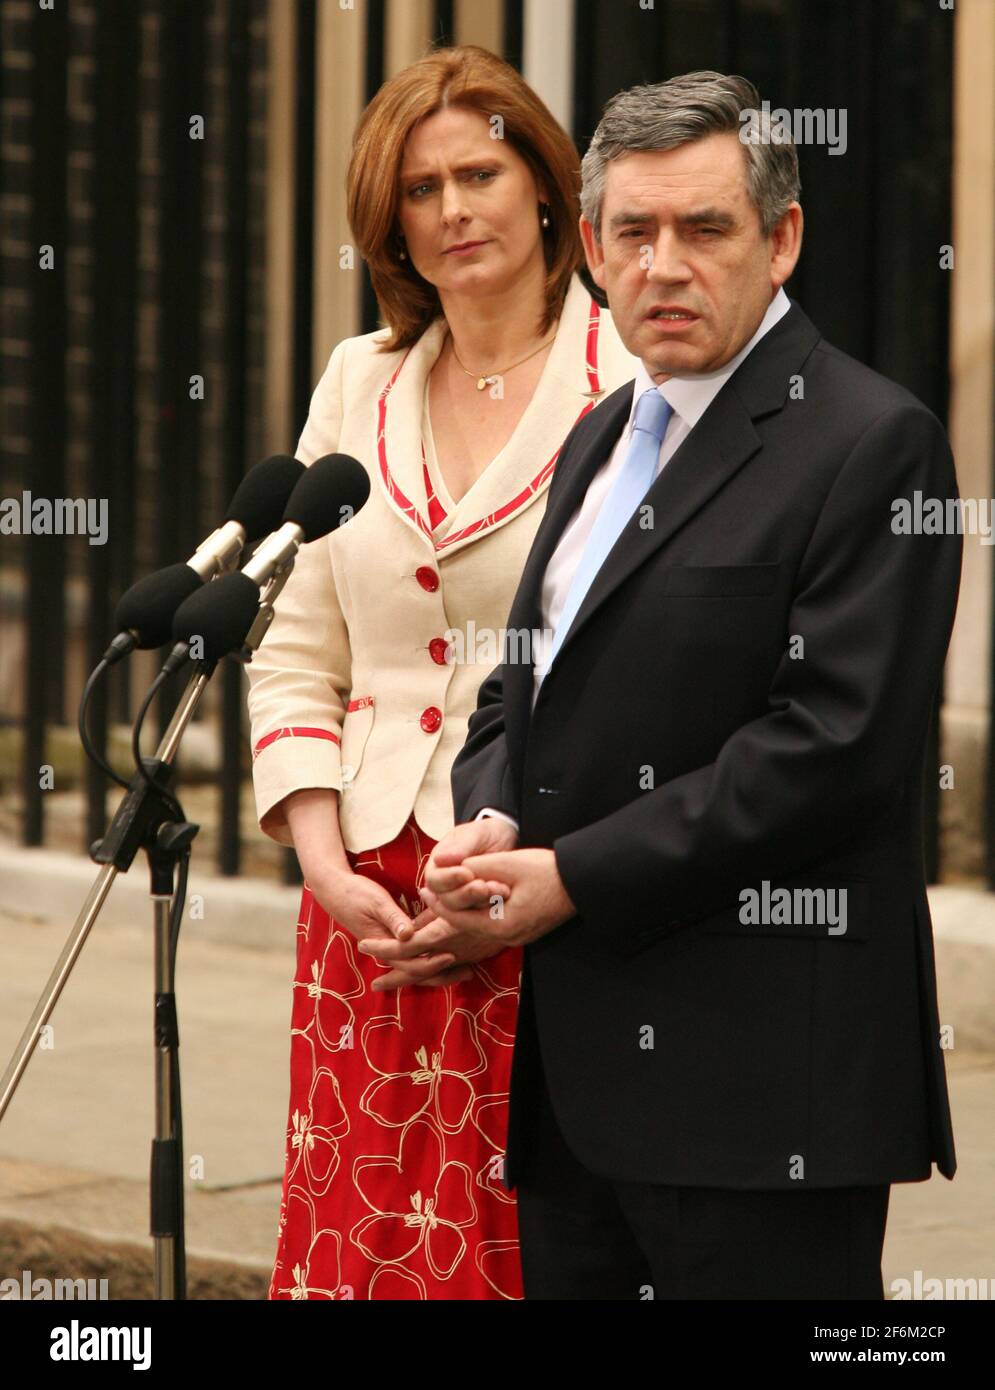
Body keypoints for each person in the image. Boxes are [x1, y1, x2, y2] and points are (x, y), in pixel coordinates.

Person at [362, 70, 962, 1300]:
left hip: (758, 1106)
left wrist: (569, 877)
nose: (663, 265)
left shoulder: (870, 441)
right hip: (578, 1102)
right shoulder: (605, 431)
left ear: (780, 237)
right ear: (588, 245)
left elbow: (830, 746)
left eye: (704, 229)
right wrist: (490, 814)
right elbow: (523, 678)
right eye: (631, 233)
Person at [245, 44, 638, 1301]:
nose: (455, 208)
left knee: (519, 1244)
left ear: (543, 190)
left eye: (482, 170)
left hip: (533, 879)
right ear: (391, 226)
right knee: (364, 1233)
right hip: (362, 894)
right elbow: (296, 639)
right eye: (421, 190)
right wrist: (319, 863)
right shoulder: (358, 379)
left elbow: (642, 665)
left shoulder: (631, 378)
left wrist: (524, 867)